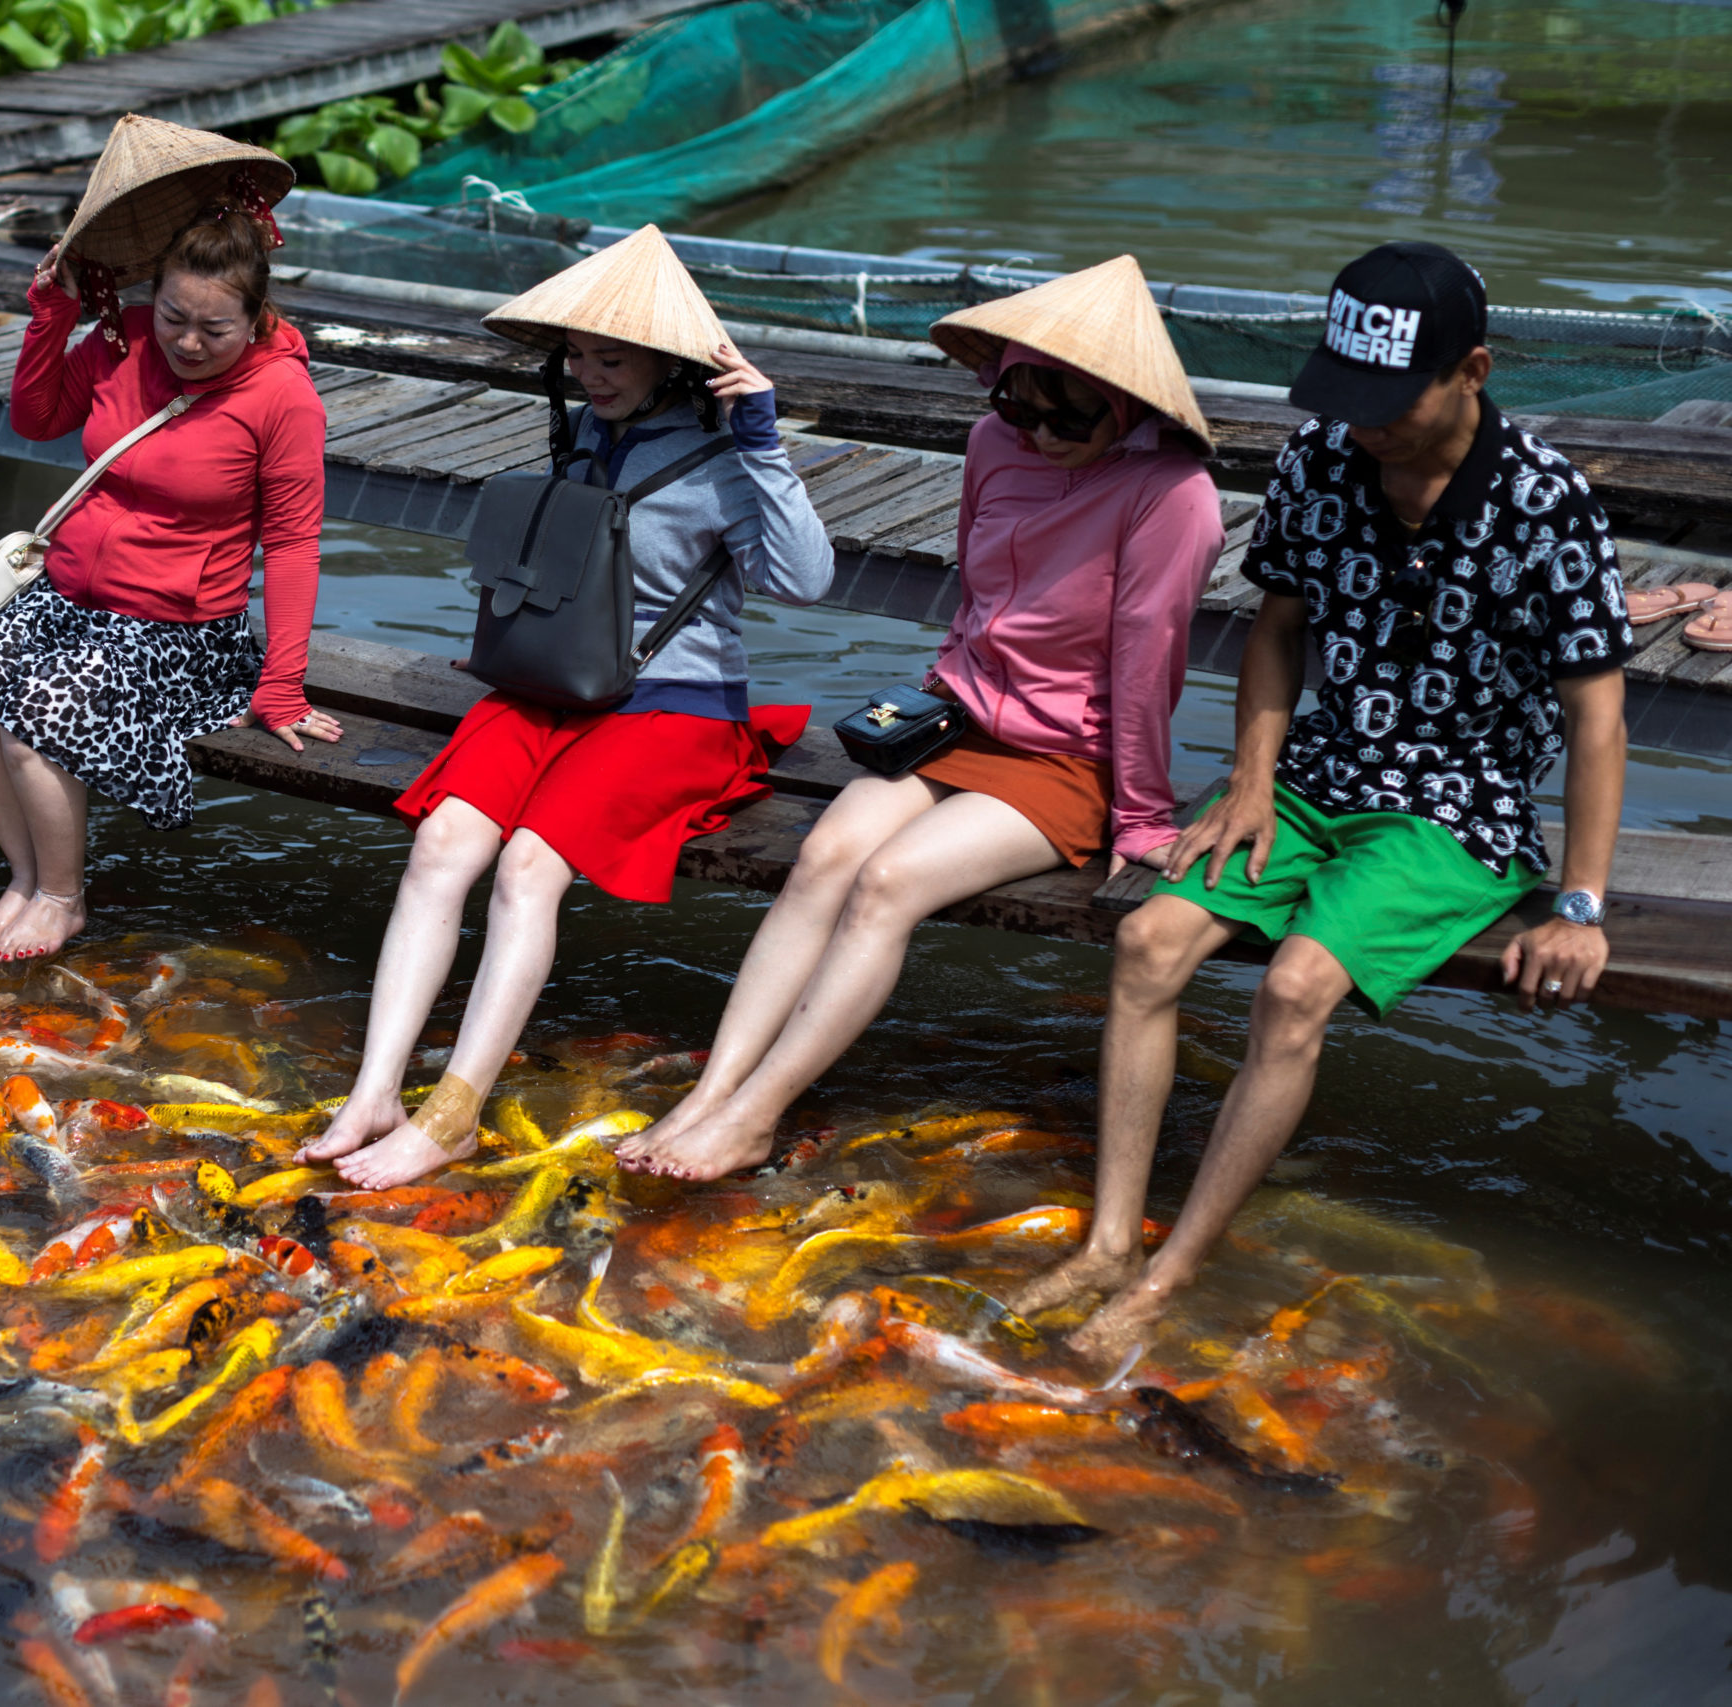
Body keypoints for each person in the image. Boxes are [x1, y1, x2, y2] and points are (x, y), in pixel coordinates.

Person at [1011, 242, 1634, 1359]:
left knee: (1295, 986)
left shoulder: (1550, 505)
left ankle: (1170, 1272)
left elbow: (1597, 718)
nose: (1363, 425)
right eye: (1344, 399)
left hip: (1456, 807)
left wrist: (1578, 903)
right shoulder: (1316, 460)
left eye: (1388, 403)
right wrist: (1250, 779)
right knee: (1149, 944)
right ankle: (1109, 1238)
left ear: (1473, 371)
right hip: (1314, 775)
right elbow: (1277, 629)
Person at [621, 256, 1226, 1181]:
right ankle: (712, 1093)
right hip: (957, 714)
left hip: (1068, 754)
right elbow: (975, 594)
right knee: (824, 855)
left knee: (890, 880)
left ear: (1130, 406)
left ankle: (757, 1114)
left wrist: (1141, 815)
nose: (1041, 433)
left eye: (1072, 415)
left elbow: (1148, 666)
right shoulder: (994, 443)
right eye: (1023, 405)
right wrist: (937, 694)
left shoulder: (1172, 496)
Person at [303, 226, 834, 1189]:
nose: (588, 373)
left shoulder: (727, 455)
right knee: (441, 846)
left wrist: (763, 436)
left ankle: (453, 1112)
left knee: (528, 864)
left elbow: (803, 579)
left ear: (670, 362)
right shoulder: (581, 431)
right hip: (552, 687)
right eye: (577, 355)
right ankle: (374, 1092)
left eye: (611, 356)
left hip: (676, 706)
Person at [0, 165, 336, 963]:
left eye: (214, 329)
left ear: (257, 318)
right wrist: (50, 320)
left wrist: (283, 684)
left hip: (180, 628)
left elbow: (293, 542)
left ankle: (63, 895)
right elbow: (38, 417)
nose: (188, 342)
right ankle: (25, 876)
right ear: (152, 297)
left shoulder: (283, 397)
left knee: (42, 715)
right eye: (174, 317)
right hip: (69, 596)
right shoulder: (123, 339)